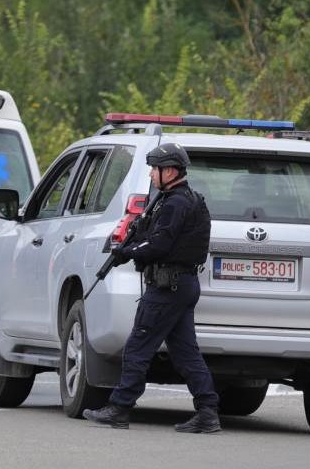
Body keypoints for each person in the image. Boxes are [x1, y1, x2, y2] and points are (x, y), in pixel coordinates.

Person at [83, 142, 220, 432]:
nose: (151, 174)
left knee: (138, 347)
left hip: (167, 287)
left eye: (154, 168)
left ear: (169, 170)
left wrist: (128, 253)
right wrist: (130, 243)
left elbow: (160, 243)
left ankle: (119, 408)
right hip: (180, 286)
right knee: (185, 354)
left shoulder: (176, 203)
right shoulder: (179, 199)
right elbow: (148, 233)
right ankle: (208, 412)